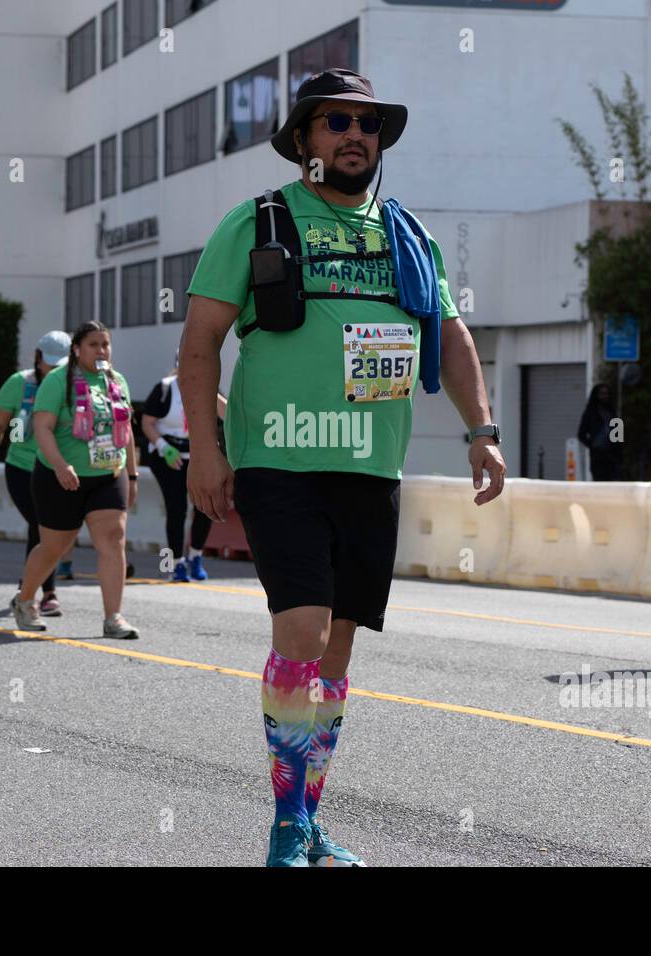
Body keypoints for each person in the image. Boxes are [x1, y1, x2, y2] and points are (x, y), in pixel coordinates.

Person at [180, 69, 506, 866]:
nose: (355, 134)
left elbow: (454, 338)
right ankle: (286, 827)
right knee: (301, 630)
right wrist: (206, 449)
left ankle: (308, 819)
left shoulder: (406, 233)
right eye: (336, 122)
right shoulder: (256, 222)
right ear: (303, 140)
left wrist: (482, 430)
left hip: (372, 471)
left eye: (368, 123)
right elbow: (198, 347)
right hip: (279, 460)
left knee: (337, 655)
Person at [10, 321, 140, 639]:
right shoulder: (57, 380)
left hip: (109, 474)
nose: (101, 350)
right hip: (61, 476)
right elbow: (42, 427)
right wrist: (59, 465)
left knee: (112, 540)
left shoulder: (116, 380)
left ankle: (114, 618)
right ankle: (25, 599)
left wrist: (132, 475)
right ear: (77, 349)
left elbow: (127, 430)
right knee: (55, 547)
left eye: (106, 344)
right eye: (94, 344)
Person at [0, 330, 72, 617]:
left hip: (55, 467)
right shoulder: (19, 384)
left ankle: (28, 588)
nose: (54, 369)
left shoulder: (74, 385)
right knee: (40, 522)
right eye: (49, 362)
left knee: (49, 527)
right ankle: (48, 593)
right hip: (21, 466)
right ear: (37, 357)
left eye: (61, 363)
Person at [140, 356, 226, 582]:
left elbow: (227, 415)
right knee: (176, 508)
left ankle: (195, 556)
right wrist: (163, 447)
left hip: (197, 452)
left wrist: (210, 391)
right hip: (168, 454)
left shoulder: (210, 386)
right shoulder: (165, 388)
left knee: (206, 506)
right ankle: (174, 563)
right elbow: (147, 421)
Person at [577, 383, 622, 481]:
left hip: (612, 457)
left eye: (607, 394)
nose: (605, 396)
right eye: (602, 394)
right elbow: (581, 434)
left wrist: (618, 453)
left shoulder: (612, 412)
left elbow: (618, 436)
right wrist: (593, 445)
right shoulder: (590, 413)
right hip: (598, 457)